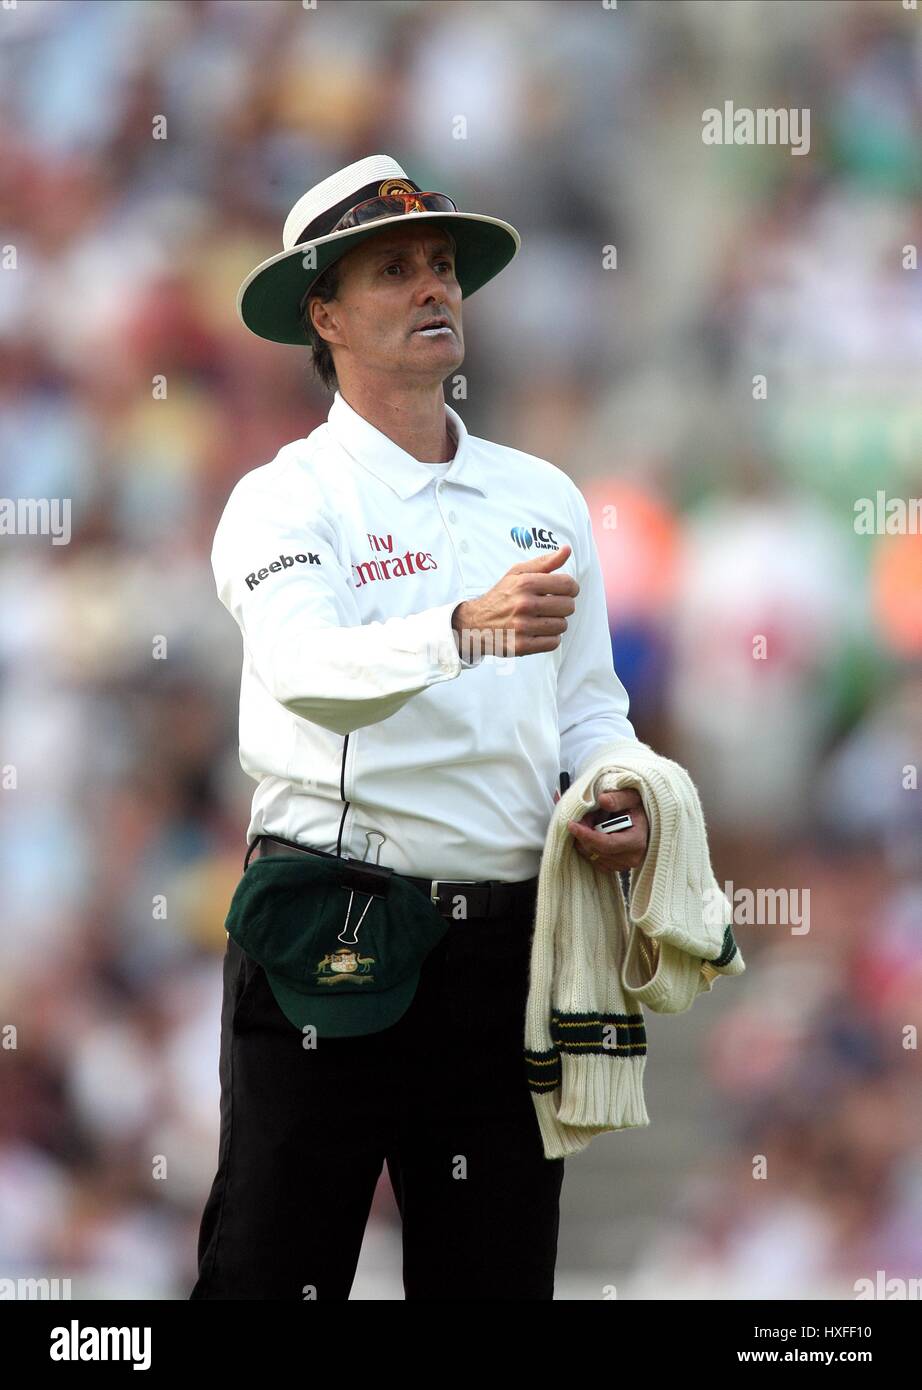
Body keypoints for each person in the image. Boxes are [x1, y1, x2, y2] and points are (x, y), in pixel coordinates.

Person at [190, 155, 648, 1301]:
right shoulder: (285, 498)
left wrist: (615, 789)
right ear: (325, 313)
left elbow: (587, 707)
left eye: (441, 266)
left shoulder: (539, 495)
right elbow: (305, 671)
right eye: (392, 269)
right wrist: (461, 626)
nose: (432, 286)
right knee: (269, 1277)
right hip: (331, 933)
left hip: (503, 950)